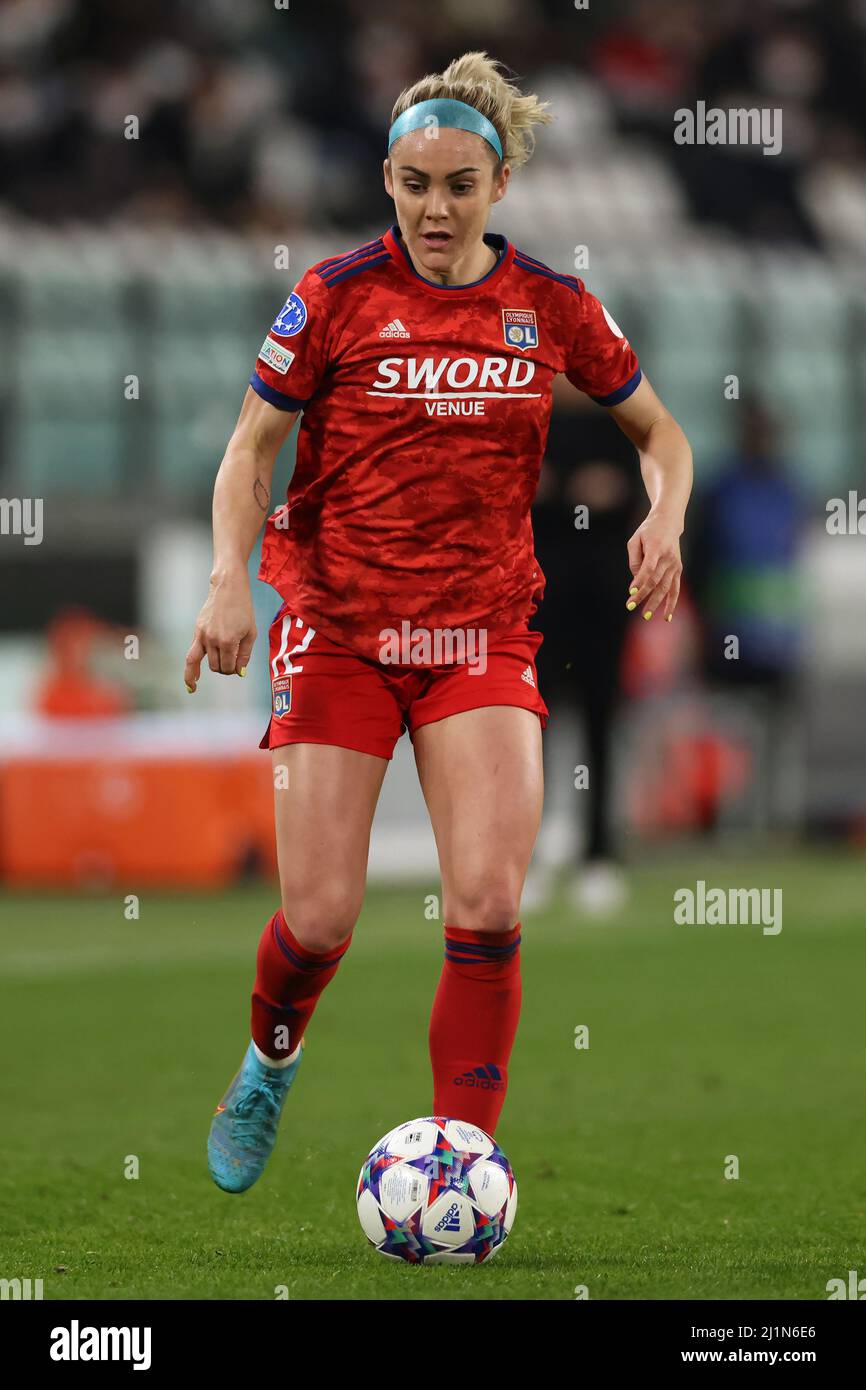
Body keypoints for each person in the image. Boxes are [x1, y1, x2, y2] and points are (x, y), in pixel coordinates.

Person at [184, 52, 692, 1195]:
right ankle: (270, 1060)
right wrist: (228, 580)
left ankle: (460, 1158)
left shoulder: (551, 308)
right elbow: (246, 454)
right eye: (414, 184)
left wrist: (663, 520)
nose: (435, 208)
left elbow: (661, 434)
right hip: (342, 624)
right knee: (316, 920)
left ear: (498, 185)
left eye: (459, 185)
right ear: (386, 179)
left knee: (489, 900)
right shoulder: (331, 295)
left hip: (477, 632)